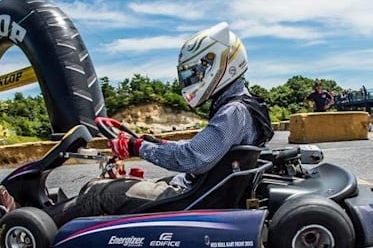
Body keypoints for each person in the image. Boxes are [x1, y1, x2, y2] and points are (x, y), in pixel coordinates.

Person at [39, 22, 273, 225]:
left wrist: (137, 147)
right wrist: (156, 143)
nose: (192, 80)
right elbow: (205, 148)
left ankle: (36, 226)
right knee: (115, 185)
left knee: (97, 192)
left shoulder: (233, 111)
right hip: (202, 190)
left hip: (192, 199)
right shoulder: (244, 106)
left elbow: (192, 158)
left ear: (221, 64)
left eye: (196, 73)